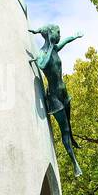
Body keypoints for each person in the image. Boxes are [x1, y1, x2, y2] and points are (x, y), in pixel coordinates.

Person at [29, 23, 83, 175]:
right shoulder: (42, 54)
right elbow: (42, 64)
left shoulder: (56, 48)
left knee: (69, 125)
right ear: (50, 34)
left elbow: (65, 41)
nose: (59, 35)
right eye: (57, 33)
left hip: (64, 93)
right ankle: (75, 164)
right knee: (64, 129)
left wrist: (75, 36)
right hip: (54, 99)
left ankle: (72, 139)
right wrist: (51, 47)